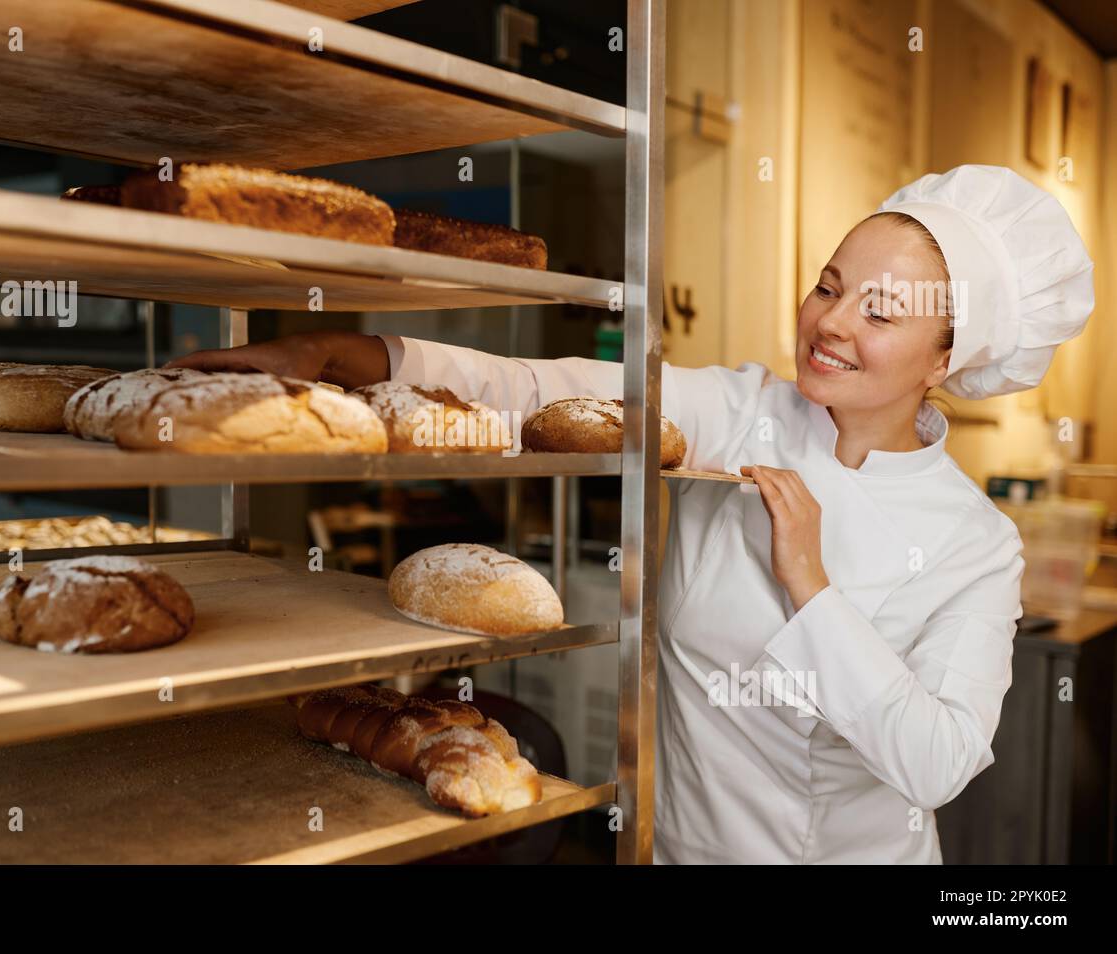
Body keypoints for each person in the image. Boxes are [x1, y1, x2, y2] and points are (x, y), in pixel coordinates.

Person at [168, 165, 1094, 863]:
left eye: (882, 310)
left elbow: (937, 763)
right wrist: (346, 352)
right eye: (829, 282)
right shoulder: (740, 413)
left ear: (945, 358)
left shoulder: (976, 541)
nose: (832, 320)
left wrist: (809, 585)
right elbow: (549, 389)